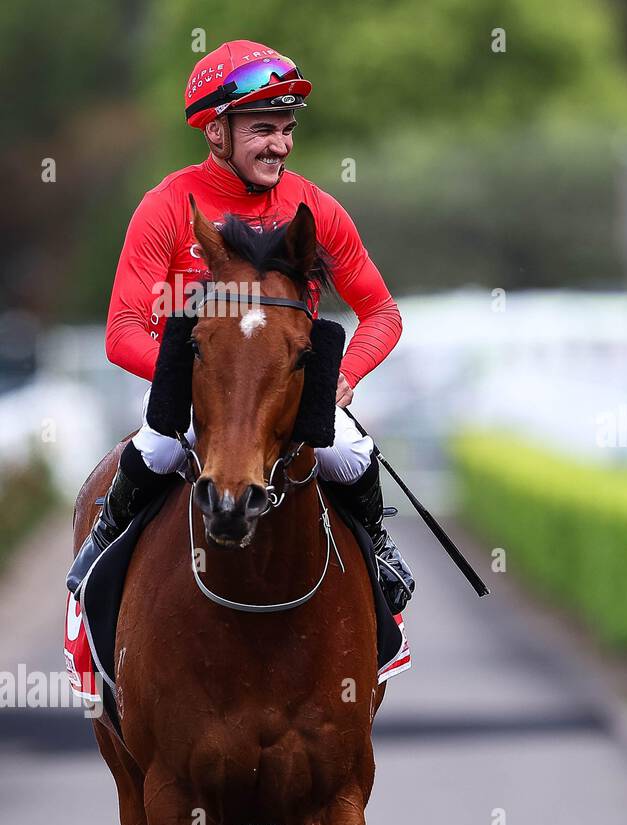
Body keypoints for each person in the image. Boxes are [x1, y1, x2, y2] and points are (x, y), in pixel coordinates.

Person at [66, 40, 415, 614]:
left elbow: (383, 313)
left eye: (285, 128)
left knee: (351, 454)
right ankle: (102, 560)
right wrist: (205, 381)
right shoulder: (165, 206)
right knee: (153, 449)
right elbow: (122, 330)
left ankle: (377, 555)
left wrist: (343, 376)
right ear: (216, 133)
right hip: (191, 397)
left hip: (287, 398)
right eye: (262, 129)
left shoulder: (316, 209)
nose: (279, 144)